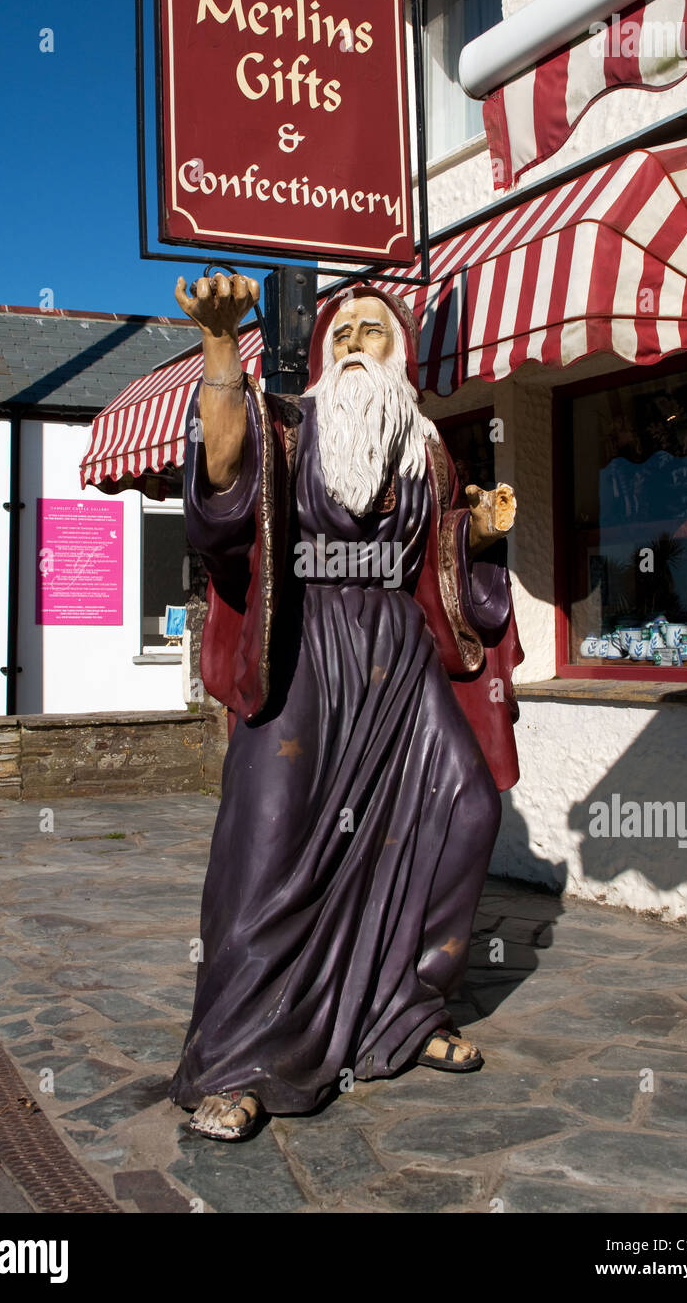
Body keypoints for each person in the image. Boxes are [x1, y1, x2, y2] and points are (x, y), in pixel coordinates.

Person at [168, 272, 523, 1140]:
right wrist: (221, 350)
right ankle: (240, 1061)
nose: (356, 341)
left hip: (395, 656)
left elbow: (434, 562)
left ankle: (405, 1007)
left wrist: (474, 536)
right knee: (270, 846)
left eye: (373, 329)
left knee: (465, 808)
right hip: (303, 647)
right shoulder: (286, 429)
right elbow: (220, 493)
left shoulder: (425, 448)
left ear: (397, 353)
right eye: (342, 332)